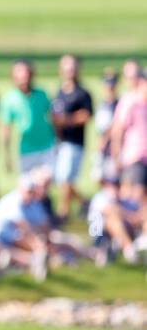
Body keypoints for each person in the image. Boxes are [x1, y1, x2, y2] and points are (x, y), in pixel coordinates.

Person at [50, 54, 93, 222]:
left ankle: (63, 212)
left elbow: (86, 115)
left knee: (65, 177)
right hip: (61, 141)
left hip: (75, 141)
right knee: (61, 178)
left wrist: (67, 120)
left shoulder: (82, 93)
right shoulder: (60, 92)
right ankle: (85, 202)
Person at [0, 173, 51, 279]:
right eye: (28, 191)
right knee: (14, 251)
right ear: (21, 189)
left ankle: (36, 261)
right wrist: (38, 243)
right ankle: (35, 262)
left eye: (32, 192)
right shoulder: (13, 201)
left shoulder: (30, 202)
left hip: (11, 237)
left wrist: (43, 239)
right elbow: (23, 226)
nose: (30, 195)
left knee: (32, 244)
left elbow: (42, 223)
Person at [0, 59, 55, 178]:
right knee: (28, 187)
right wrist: (7, 156)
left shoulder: (41, 94)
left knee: (45, 182)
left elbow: (53, 119)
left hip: (46, 146)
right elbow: (6, 129)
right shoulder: (9, 99)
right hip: (26, 149)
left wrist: (58, 141)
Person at [109, 63, 147, 189]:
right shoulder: (129, 101)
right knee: (137, 195)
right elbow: (118, 130)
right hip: (136, 156)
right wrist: (116, 157)